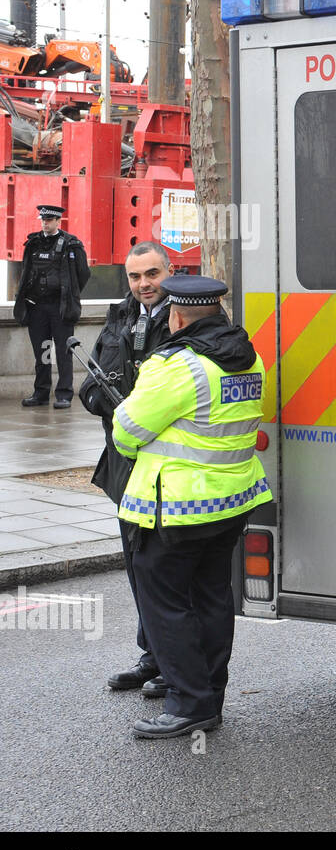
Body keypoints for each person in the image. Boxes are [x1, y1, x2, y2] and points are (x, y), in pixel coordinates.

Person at [112, 275, 272, 739]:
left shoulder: (174, 365)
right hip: (231, 500)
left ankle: (190, 705)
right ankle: (209, 696)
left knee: (165, 605)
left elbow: (126, 433)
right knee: (212, 598)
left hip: (177, 509)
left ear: (177, 316)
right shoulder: (249, 356)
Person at [81, 242, 174, 698]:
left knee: (167, 570)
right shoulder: (120, 317)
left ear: (168, 271)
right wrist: (106, 404)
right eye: (135, 277)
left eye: (152, 274)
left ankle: (175, 664)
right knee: (138, 564)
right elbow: (89, 385)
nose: (143, 285)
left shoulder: (184, 317)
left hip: (166, 468)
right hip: (124, 463)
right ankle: (152, 656)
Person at [13, 205, 91, 408]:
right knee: (42, 352)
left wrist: (70, 294)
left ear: (58, 221)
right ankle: (41, 393)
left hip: (60, 307)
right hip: (37, 307)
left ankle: (64, 394)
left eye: (49, 220)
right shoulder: (34, 243)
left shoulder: (71, 244)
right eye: (43, 220)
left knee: (64, 352)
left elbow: (83, 273)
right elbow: (26, 271)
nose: (45, 223)